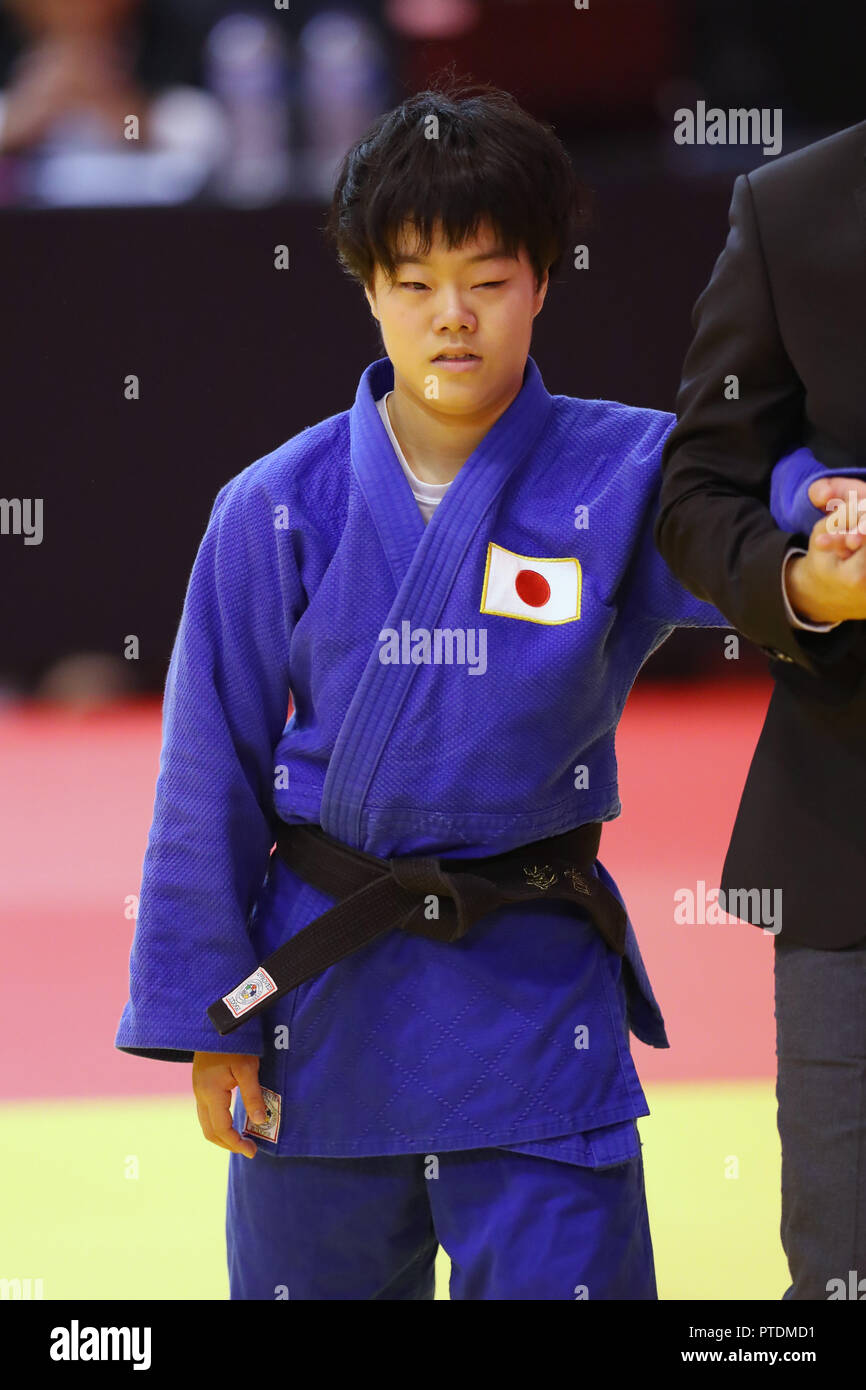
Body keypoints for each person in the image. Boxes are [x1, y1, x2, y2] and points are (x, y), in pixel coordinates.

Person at [114, 79, 791, 1301]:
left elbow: (749, 512)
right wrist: (207, 1017)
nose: (451, 319)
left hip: (532, 1003)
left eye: (485, 281)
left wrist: (816, 523)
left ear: (539, 279)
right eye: (414, 283)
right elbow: (205, 768)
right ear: (366, 286)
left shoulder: (626, 471)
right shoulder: (273, 504)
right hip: (323, 1007)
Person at [655, 120, 866, 1301]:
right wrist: (803, 584)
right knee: (839, 1274)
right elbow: (700, 491)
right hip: (849, 831)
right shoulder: (791, 208)